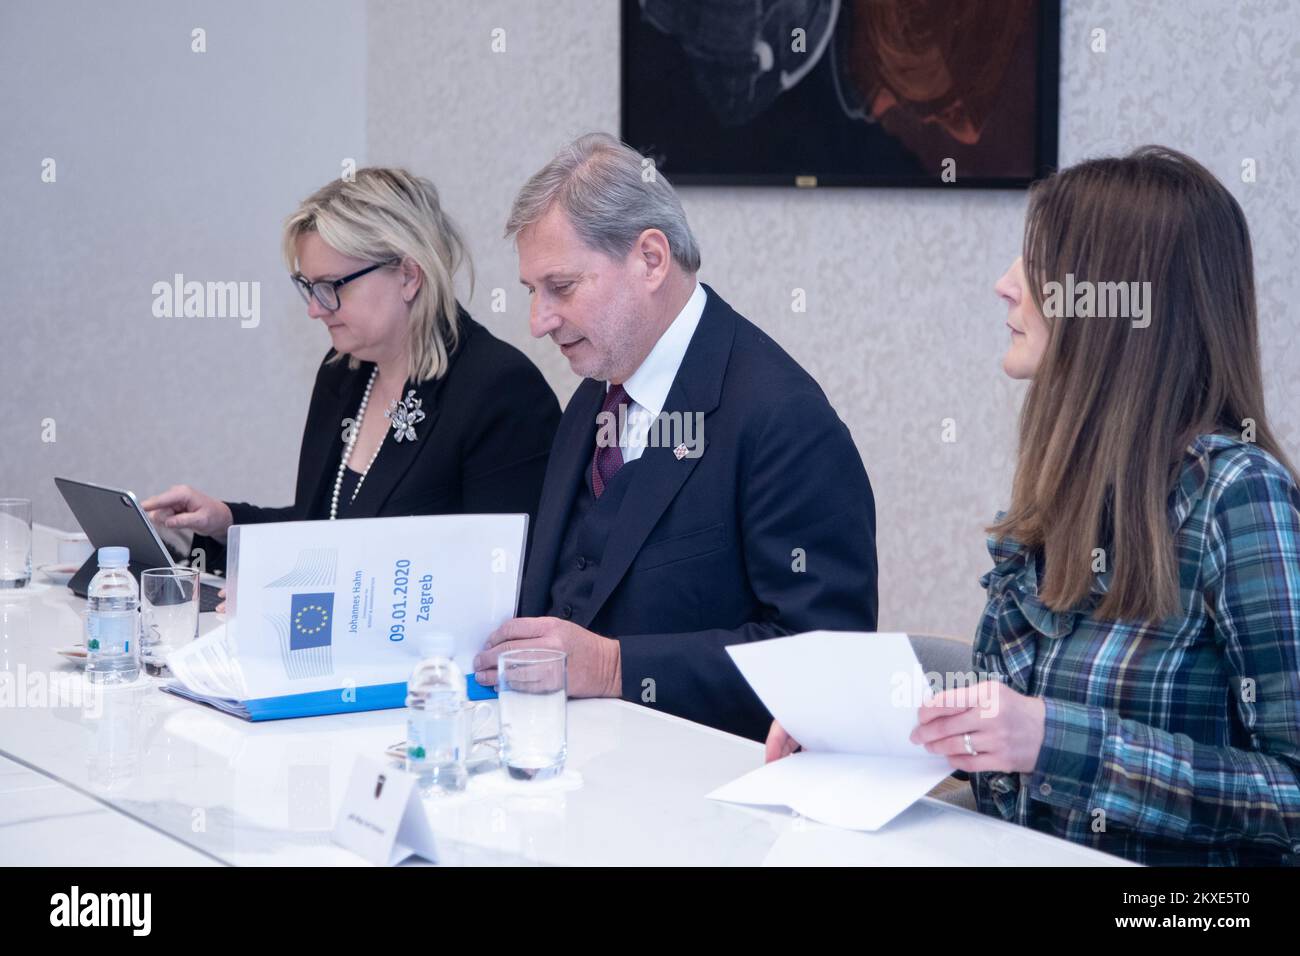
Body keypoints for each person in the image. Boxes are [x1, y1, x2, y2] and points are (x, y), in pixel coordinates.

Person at [770, 146, 1300, 865]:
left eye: (1035, 265)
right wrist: (856, 732)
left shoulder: (1238, 496)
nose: (1004, 286)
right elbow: (1012, 756)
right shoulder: (1073, 487)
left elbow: (1289, 795)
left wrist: (1060, 742)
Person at [471, 133, 878, 742]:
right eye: (533, 292)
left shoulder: (781, 417)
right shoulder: (592, 395)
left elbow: (824, 657)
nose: (538, 322)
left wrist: (615, 667)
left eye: (562, 287)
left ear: (652, 260)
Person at [144, 168, 560, 591]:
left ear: (408, 275)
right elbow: (323, 529)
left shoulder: (499, 390)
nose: (315, 309)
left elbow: (500, 585)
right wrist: (225, 522)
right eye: (309, 287)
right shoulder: (343, 369)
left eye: (331, 286)